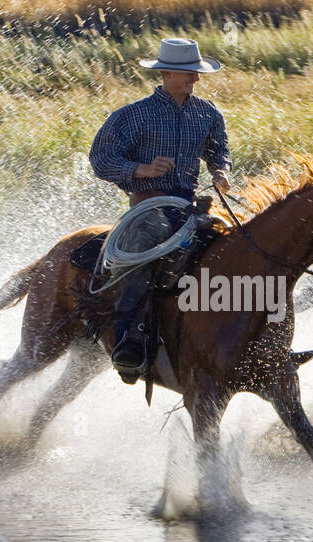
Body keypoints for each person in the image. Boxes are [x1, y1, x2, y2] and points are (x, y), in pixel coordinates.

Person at [88, 37, 231, 379]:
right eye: (187, 74)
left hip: (190, 207)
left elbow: (218, 149)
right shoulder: (134, 115)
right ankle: (127, 341)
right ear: (166, 73)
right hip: (148, 207)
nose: (194, 80)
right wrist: (141, 170)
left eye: (195, 73)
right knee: (143, 256)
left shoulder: (207, 113)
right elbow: (101, 159)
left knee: (236, 246)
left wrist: (220, 170)